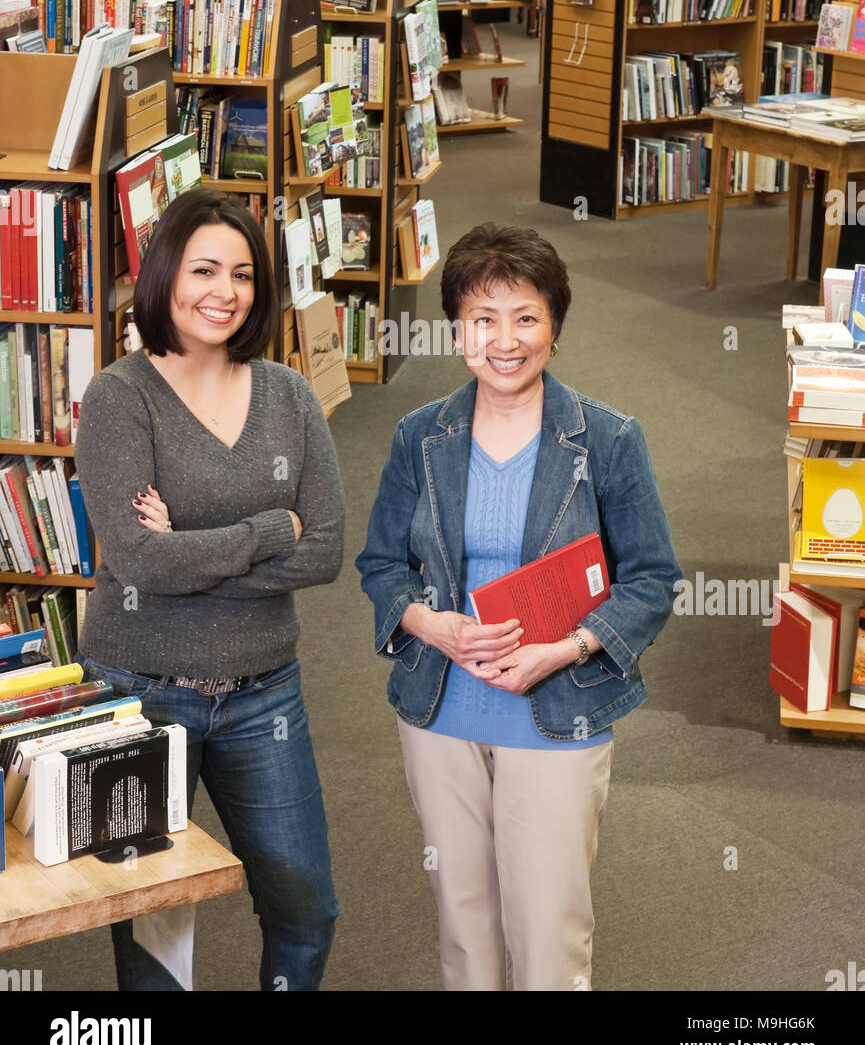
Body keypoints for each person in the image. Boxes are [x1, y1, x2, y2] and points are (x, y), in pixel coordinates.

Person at [356, 223, 680, 992]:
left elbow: (652, 578)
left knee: (547, 928)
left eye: (525, 317)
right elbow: (379, 566)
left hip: (558, 708)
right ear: (458, 330)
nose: (505, 340)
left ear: (554, 327)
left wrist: (565, 649)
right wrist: (429, 623)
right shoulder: (419, 437)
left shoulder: (605, 439)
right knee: (462, 920)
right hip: (439, 709)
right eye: (483, 319)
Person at [75, 188, 345, 992]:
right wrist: (270, 531)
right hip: (138, 691)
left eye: (241, 274)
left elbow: (326, 549)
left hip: (266, 693)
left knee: (307, 907)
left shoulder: (290, 396)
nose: (223, 292)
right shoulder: (118, 400)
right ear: (164, 275)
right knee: (154, 927)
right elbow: (137, 563)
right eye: (202, 270)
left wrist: (189, 550)